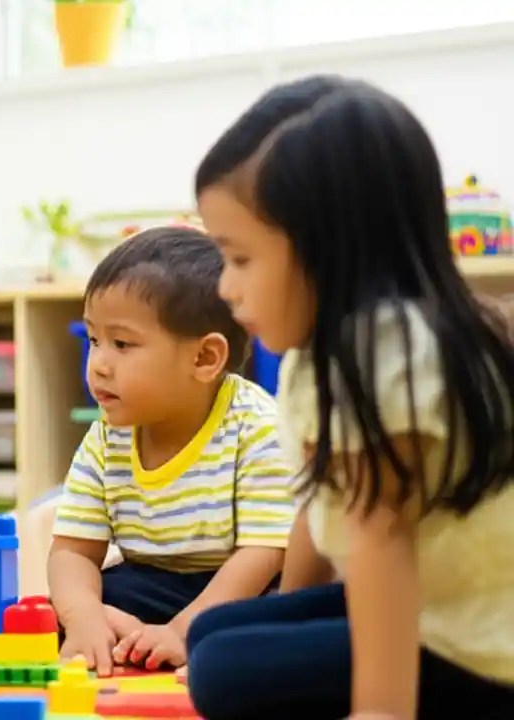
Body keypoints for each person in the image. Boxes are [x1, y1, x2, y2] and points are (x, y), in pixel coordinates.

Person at [185, 75, 514, 720]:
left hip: (482, 649)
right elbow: (323, 505)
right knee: (213, 635)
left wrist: (380, 712)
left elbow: (380, 547)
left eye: (241, 259)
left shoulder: (384, 353)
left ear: (326, 249)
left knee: (222, 671)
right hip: (434, 604)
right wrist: (281, 616)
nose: (225, 288)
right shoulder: (325, 349)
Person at [48, 227, 296, 678]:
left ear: (204, 359)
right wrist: (83, 617)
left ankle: (167, 640)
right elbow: (73, 552)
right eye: (94, 340)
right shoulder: (106, 434)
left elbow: (262, 554)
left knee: (282, 614)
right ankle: (128, 633)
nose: (99, 363)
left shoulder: (255, 425)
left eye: (122, 344)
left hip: (242, 586)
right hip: (150, 583)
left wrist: (184, 629)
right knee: (55, 612)